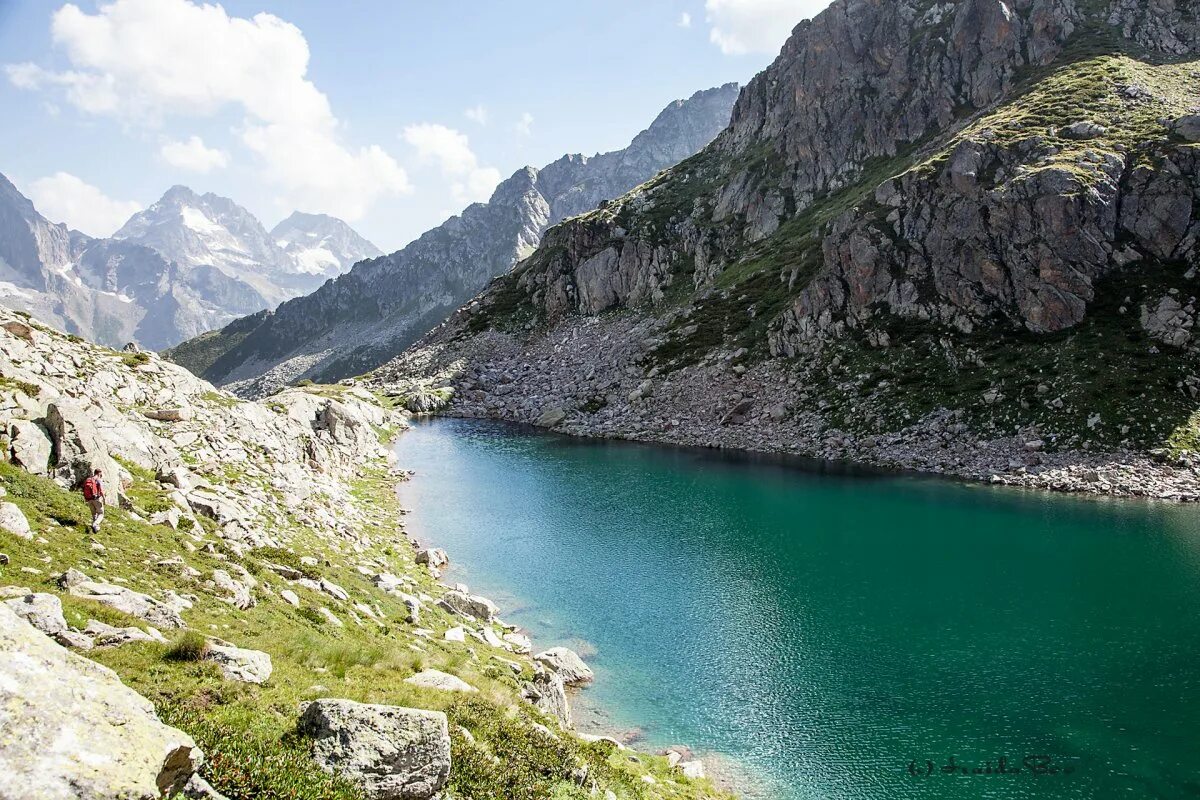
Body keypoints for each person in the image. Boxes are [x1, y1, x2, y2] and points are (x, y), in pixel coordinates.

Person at [82, 468, 105, 533]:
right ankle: (95, 524)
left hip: (89, 499)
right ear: (99, 473)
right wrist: (104, 498)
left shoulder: (89, 479)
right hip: (96, 499)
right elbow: (101, 490)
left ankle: (95, 529)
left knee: (94, 514)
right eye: (101, 473)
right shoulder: (98, 480)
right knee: (101, 513)